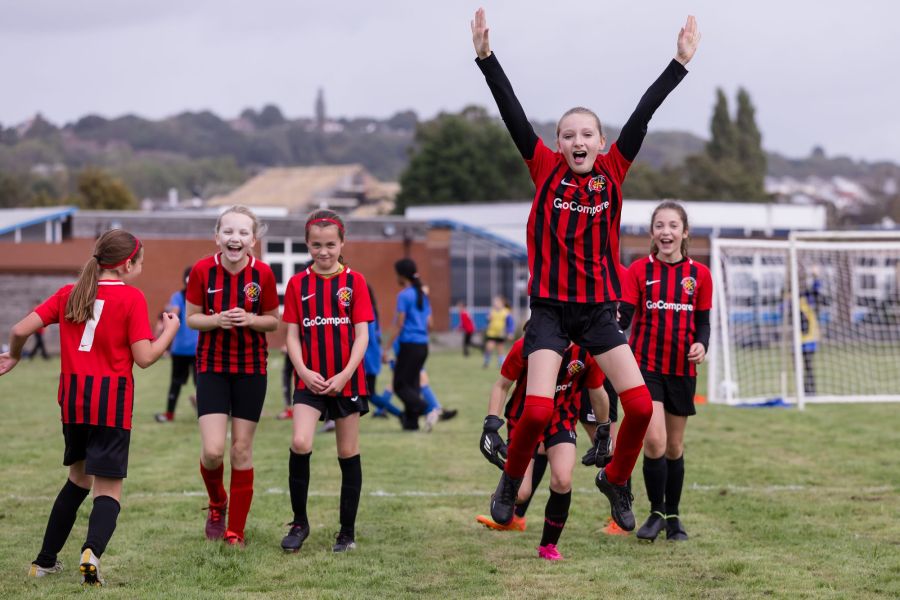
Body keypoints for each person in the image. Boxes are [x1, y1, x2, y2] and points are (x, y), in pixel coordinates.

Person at [471, 8, 701, 531]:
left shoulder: (614, 171)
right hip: (551, 312)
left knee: (639, 408)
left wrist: (678, 65)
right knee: (532, 413)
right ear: (558, 144)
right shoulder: (545, 168)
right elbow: (511, 114)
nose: (578, 141)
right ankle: (510, 479)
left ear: (601, 143)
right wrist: (486, 59)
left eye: (588, 134)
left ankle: (616, 480)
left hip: (598, 313)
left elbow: (642, 117)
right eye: (568, 134)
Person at [0, 230, 178, 586]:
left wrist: (14, 354)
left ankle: (44, 561)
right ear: (128, 264)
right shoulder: (131, 299)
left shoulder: (70, 292)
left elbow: (20, 328)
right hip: (110, 402)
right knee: (108, 490)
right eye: (140, 262)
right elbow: (144, 358)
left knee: (78, 479)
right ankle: (91, 553)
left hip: (74, 400)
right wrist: (169, 332)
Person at [617, 201, 712, 542]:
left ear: (684, 232)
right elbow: (623, 318)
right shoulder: (638, 271)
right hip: (646, 367)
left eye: (673, 225)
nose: (666, 232)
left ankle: (673, 517)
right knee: (654, 441)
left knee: (674, 446)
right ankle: (656, 511)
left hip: (681, 371)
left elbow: (703, 323)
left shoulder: (699, 275)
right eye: (660, 225)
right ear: (652, 233)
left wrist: (702, 345)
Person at [280, 209, 373, 554]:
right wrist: (303, 371)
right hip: (310, 382)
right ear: (307, 244)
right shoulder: (297, 284)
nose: (323, 251)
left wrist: (345, 373)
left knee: (347, 452)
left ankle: (346, 533)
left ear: (342, 243)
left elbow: (362, 335)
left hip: (346, 381)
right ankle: (300, 523)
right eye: (316, 245)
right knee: (301, 442)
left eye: (330, 244)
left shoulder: (355, 282)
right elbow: (291, 336)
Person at [185, 205, 280, 547]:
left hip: (251, 369)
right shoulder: (201, 271)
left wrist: (250, 320)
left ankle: (235, 532)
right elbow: (192, 318)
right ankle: (216, 504)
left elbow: (273, 319)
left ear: (253, 240)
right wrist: (218, 320)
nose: (234, 238)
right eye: (228, 231)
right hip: (212, 366)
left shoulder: (264, 275)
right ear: (217, 237)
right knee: (212, 451)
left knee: (241, 449)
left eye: (242, 233)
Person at [476, 331, 609, 560]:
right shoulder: (526, 345)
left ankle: (548, 546)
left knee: (562, 479)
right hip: (524, 421)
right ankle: (504, 491)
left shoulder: (586, 350)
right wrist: (490, 425)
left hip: (561, 421)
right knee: (522, 493)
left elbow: (598, 392)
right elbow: (502, 385)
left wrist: (603, 431)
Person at [384, 258, 431, 431]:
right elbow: (430, 323)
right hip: (423, 345)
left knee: (399, 385)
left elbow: (399, 324)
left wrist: (386, 347)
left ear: (401, 275)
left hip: (409, 345)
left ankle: (428, 409)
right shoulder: (422, 294)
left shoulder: (404, 295)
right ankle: (411, 424)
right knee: (412, 384)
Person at [155, 266, 199, 422]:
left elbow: (173, 314)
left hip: (185, 349)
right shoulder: (199, 297)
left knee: (176, 383)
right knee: (201, 383)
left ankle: (169, 414)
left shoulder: (178, 296)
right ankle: (212, 413)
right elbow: (174, 312)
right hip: (191, 349)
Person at [482, 296, 513, 368]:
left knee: (500, 349)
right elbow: (487, 321)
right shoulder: (491, 311)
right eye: (495, 302)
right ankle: (486, 361)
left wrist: (510, 332)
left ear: (502, 303)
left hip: (501, 334)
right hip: (491, 333)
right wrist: (487, 319)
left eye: (497, 302)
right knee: (489, 347)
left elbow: (510, 323)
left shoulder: (506, 312)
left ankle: (501, 363)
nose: (495, 303)